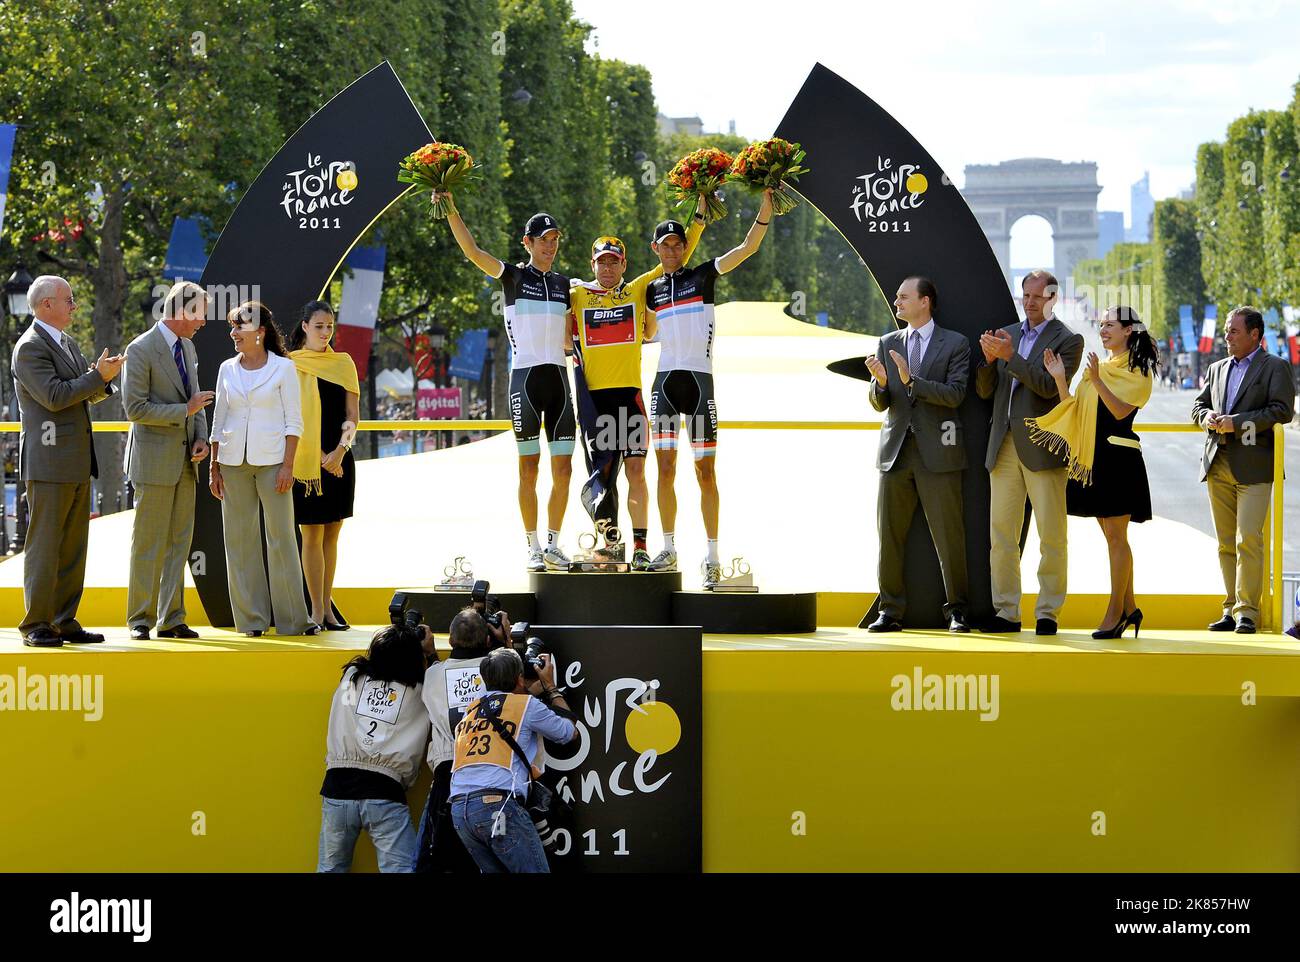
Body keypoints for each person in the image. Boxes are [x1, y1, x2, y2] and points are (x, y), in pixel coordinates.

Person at [436, 189, 575, 572]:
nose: (550, 246)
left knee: (563, 470)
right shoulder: (513, 276)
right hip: (526, 381)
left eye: (555, 240)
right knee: (528, 467)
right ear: (527, 242)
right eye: (543, 240)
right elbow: (473, 251)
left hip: (560, 382)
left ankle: (552, 543)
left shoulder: (566, 285)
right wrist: (451, 207)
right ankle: (531, 545)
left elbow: (572, 333)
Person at [644, 189, 776, 587]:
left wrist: (767, 204)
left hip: (700, 383)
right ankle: (668, 547)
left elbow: (747, 247)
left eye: (676, 245)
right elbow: (646, 333)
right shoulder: (650, 290)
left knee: (706, 473)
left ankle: (713, 555)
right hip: (665, 383)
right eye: (664, 246)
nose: (670, 251)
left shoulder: (703, 275)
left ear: (685, 247)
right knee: (664, 469)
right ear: (655, 249)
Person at [568, 196, 706, 569]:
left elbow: (676, 253)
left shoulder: (638, 288)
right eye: (601, 262)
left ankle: (641, 547)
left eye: (614, 262)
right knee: (603, 477)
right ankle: (610, 545)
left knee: (635, 473)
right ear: (592, 264)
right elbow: (563, 333)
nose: (608, 268)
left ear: (624, 264)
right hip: (594, 402)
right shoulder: (576, 294)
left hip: (629, 398)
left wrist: (699, 217)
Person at [1029, 306, 1158, 639]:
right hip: (1094, 460)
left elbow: (1118, 412)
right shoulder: (1102, 367)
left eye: (1110, 325)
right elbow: (1075, 411)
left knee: (1117, 539)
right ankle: (1129, 609)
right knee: (1113, 539)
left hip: (1118, 459)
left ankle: (1115, 613)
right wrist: (1060, 378)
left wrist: (1097, 380)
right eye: (1101, 325)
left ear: (1128, 331)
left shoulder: (1136, 369)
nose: (1103, 330)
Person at [12, 274, 122, 647]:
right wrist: (96, 376)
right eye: (69, 300)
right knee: (45, 546)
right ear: (47, 305)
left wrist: (102, 380)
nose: (74, 306)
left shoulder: (66, 342)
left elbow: (81, 393)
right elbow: (56, 396)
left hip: (74, 460)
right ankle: (37, 624)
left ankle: (63, 620)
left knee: (73, 547)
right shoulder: (29, 347)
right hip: (49, 462)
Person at [975, 270, 1084, 636]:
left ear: (1052, 298)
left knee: (1051, 535)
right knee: (1001, 536)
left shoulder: (1069, 340)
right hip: (1002, 444)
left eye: (1038, 296)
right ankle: (1006, 612)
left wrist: (1010, 357)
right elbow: (985, 390)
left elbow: (1048, 388)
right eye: (1026, 295)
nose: (1030, 302)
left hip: (1043, 447)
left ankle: (1048, 613)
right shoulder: (1007, 332)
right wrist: (989, 361)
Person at [865, 276, 971, 632]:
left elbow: (956, 395)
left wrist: (912, 382)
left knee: (949, 537)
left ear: (925, 301)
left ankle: (957, 610)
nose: (896, 302)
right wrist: (881, 383)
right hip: (895, 454)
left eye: (903, 296)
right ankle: (889, 611)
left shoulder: (955, 344)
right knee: (889, 536)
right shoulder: (886, 342)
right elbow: (880, 404)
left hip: (939, 454)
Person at [208, 301, 317, 637]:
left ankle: (294, 622)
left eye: (240, 326)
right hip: (231, 463)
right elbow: (219, 418)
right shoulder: (227, 368)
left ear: (261, 331)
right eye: (233, 327)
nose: (234, 333)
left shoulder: (284, 368)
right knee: (239, 542)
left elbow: (293, 421)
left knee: (282, 539)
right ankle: (251, 622)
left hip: (273, 463)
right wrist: (214, 467)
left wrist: (288, 466)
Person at [1191, 306, 1296, 634]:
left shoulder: (1275, 367)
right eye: (1225, 330)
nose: (1227, 337)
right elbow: (1198, 405)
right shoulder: (1217, 368)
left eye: (1233, 331)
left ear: (1255, 335)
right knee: (1224, 542)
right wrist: (1206, 417)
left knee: (1248, 539)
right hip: (1217, 464)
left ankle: (1247, 612)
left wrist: (1236, 424)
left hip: (1254, 465)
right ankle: (1229, 607)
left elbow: (1282, 411)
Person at [123, 281, 214, 641]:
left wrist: (201, 438)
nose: (203, 322)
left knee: (180, 542)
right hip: (153, 462)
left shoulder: (188, 347)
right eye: (201, 314)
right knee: (148, 543)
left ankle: (172, 618)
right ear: (182, 312)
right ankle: (139, 620)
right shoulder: (140, 349)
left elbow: (196, 399)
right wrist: (185, 411)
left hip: (185, 462)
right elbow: (134, 409)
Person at [448, 647, 577, 873]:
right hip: (497, 806)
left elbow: (504, 707)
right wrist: (550, 686)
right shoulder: (526, 706)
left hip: (460, 810)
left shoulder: (471, 709)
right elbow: (568, 732)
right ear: (519, 679)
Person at [318, 621, 432, 873]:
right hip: (384, 791)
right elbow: (435, 680)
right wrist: (429, 652)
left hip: (337, 787)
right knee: (401, 869)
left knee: (330, 868)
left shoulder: (351, 677)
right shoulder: (420, 691)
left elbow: (379, 653)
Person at [416, 606, 511, 873]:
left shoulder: (432, 674)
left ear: (450, 640)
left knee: (444, 859)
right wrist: (507, 642)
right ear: (488, 639)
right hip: (493, 773)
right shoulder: (498, 672)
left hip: (448, 777)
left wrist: (430, 652)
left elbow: (441, 672)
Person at [288, 301, 359, 630]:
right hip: (307, 464)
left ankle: (329, 609)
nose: (325, 332)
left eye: (329, 326)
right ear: (304, 326)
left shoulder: (343, 363)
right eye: (318, 326)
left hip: (340, 462)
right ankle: (316, 610)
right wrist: (321, 457)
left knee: (333, 535)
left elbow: (352, 416)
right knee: (311, 535)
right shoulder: (290, 364)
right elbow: (289, 418)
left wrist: (340, 452)